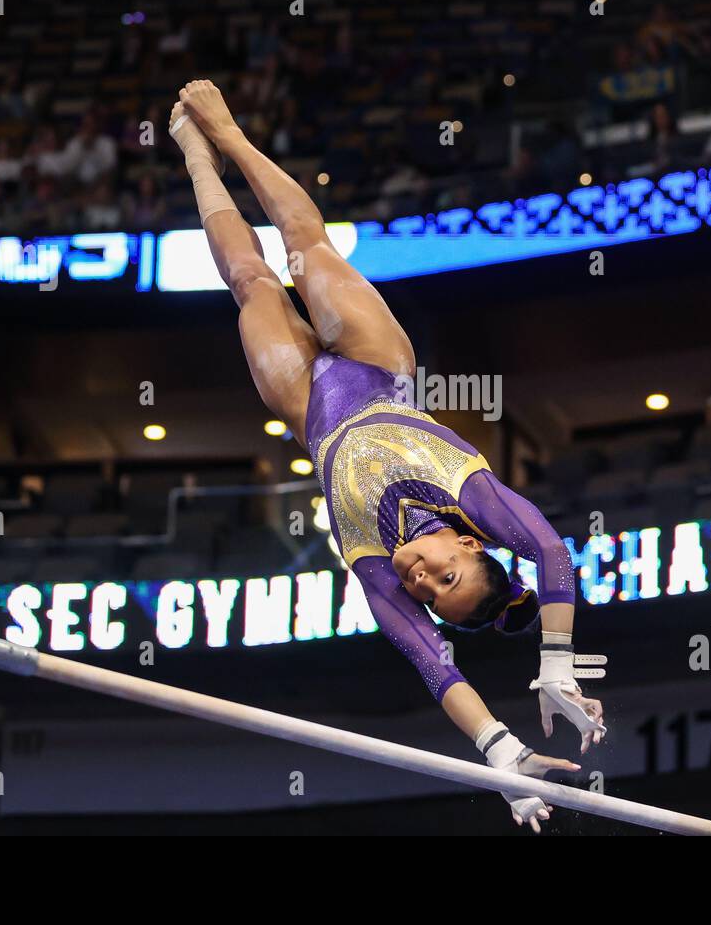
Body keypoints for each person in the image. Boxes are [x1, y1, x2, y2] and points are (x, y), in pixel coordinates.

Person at [169, 79, 605, 831]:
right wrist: (557, 661)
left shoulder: (376, 570)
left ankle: (192, 153)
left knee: (251, 283)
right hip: (375, 366)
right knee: (307, 250)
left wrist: (500, 751)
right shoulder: (471, 494)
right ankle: (231, 134)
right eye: (449, 572)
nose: (423, 578)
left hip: (312, 413)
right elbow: (550, 549)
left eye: (432, 594)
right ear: (469, 541)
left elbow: (436, 666)